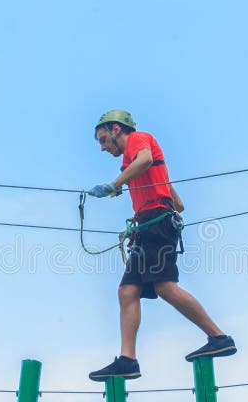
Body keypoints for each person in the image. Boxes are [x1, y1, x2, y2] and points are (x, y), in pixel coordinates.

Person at [86, 110, 236, 382]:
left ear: (117, 129)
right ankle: (127, 360)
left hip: (156, 223)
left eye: (103, 139)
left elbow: (146, 159)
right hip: (149, 223)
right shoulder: (130, 163)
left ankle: (219, 337)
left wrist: (114, 185)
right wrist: (140, 209)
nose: (103, 147)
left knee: (165, 288)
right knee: (127, 291)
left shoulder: (139, 140)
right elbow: (178, 204)